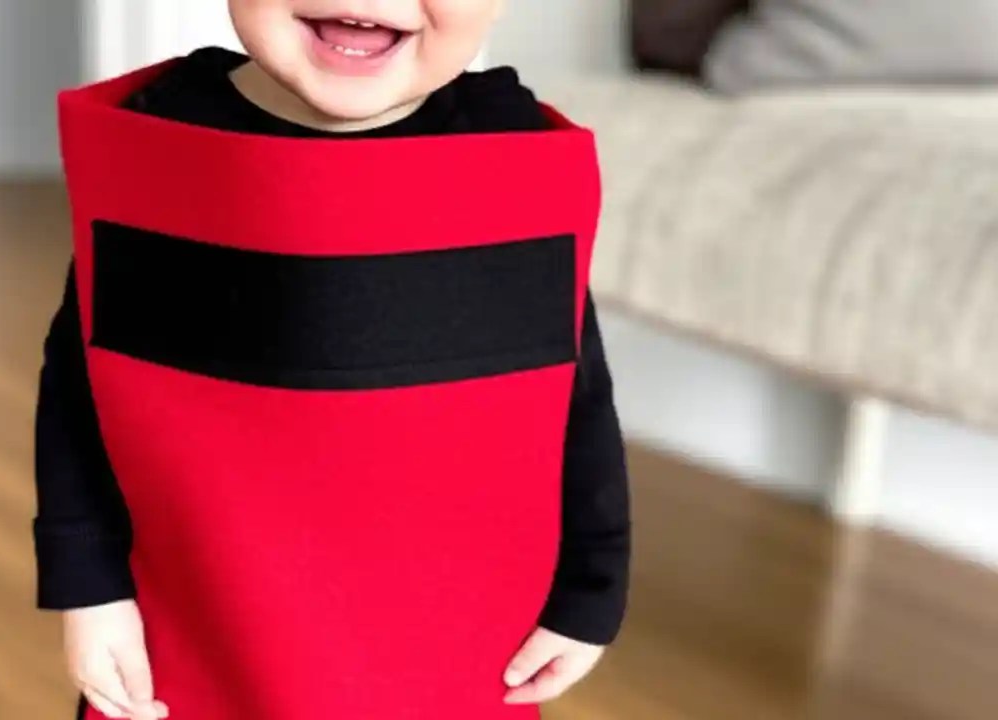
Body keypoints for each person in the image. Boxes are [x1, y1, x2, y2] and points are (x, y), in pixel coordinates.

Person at [33, 3, 631, 719]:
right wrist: (90, 589)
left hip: (448, 646)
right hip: (193, 635)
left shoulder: (515, 149)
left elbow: (572, 393)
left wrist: (590, 588)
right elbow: (84, 390)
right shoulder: (159, 137)